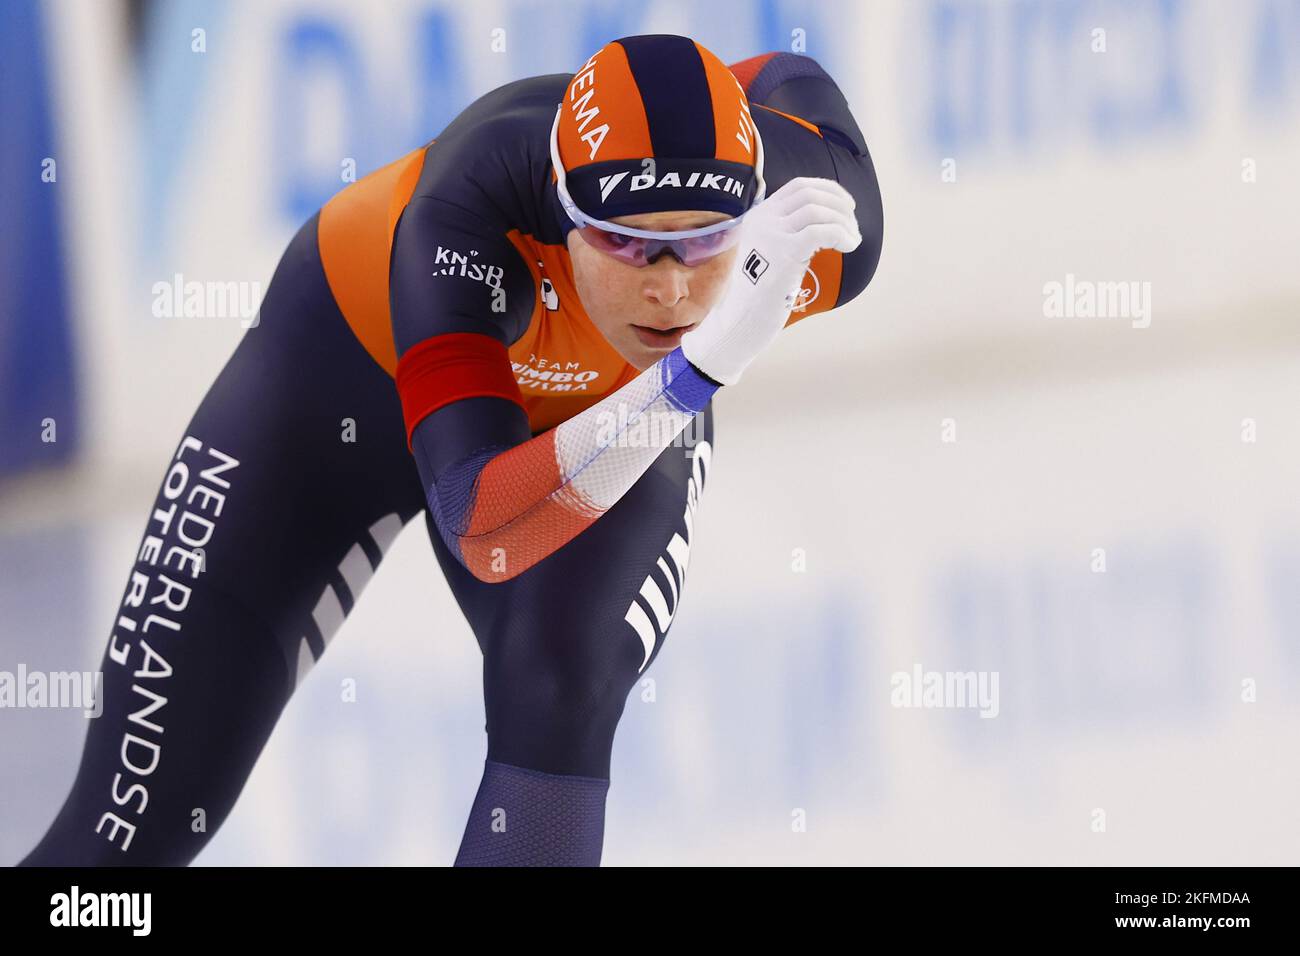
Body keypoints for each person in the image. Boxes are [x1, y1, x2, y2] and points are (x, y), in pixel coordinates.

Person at [19, 34, 882, 867]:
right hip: (336, 387)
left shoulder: (820, 234)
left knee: (563, 678)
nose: (670, 285)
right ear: (563, 213)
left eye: (703, 239)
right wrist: (699, 369)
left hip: (607, 415)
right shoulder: (468, 209)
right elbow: (486, 529)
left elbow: (789, 73)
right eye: (623, 239)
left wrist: (690, 123)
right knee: (119, 841)